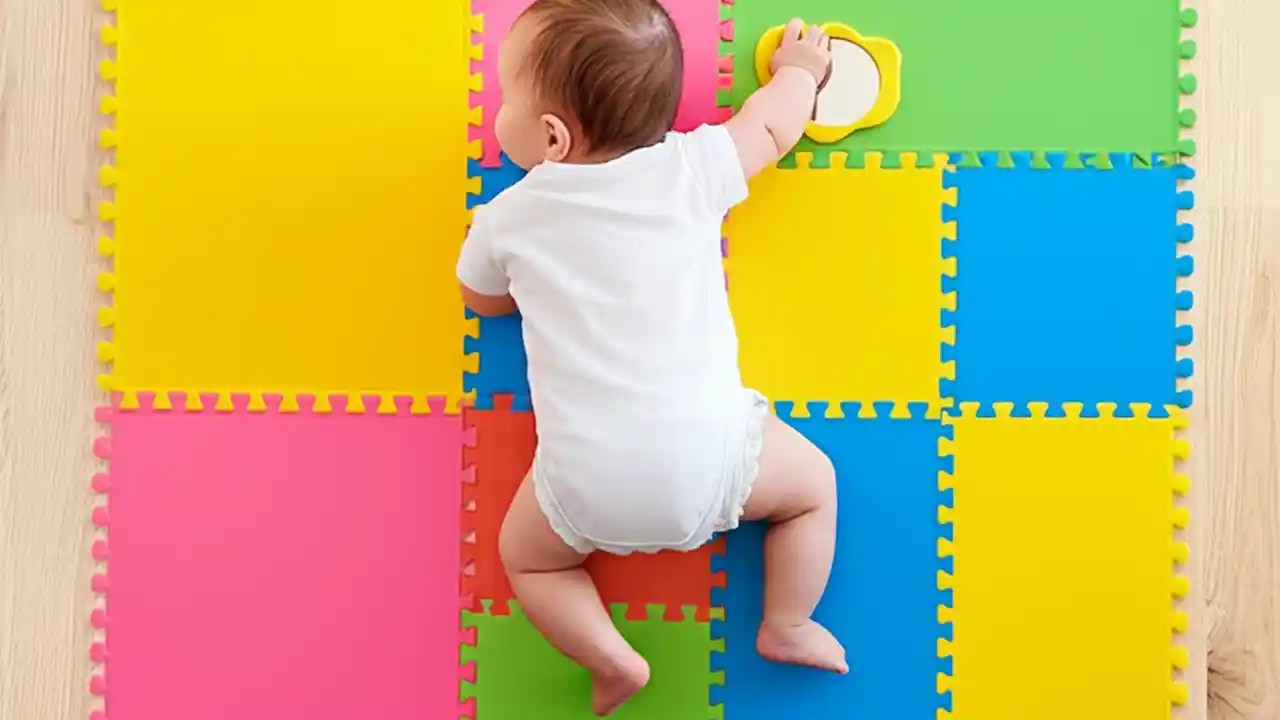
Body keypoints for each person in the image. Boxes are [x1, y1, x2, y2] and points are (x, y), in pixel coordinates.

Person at [456, 1, 842, 714]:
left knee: (529, 559)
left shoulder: (505, 218)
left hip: (583, 487)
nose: (496, 111)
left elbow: (482, 300)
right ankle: (787, 623)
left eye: (506, 97)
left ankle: (612, 660)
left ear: (552, 137)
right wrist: (799, 72)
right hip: (716, 465)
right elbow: (770, 126)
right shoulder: (692, 169)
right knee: (814, 487)